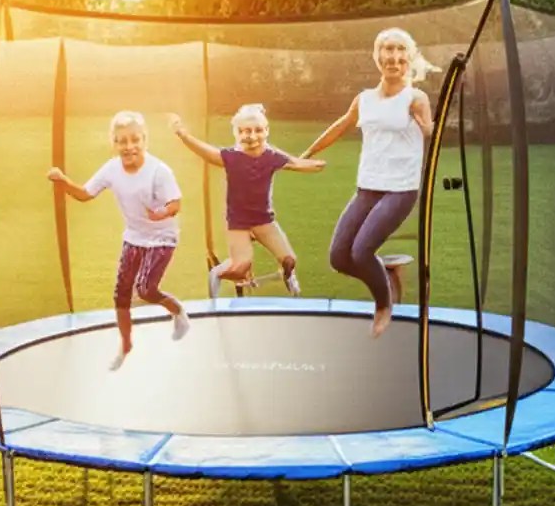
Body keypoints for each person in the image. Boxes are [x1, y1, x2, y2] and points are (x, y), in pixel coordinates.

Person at [300, 27, 438, 337]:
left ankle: (384, 304)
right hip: (368, 186)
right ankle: (386, 271)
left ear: (409, 58)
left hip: (401, 189)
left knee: (361, 251)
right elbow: (341, 126)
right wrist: (307, 153)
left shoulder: (415, 98)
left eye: (400, 50)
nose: (394, 57)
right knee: (339, 257)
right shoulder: (364, 99)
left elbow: (430, 132)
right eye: (388, 49)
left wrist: (427, 128)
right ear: (377, 57)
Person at [48, 110, 190, 370]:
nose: (129, 146)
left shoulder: (159, 171)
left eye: (135, 140)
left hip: (162, 238)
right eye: (122, 141)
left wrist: (159, 214)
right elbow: (85, 194)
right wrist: (62, 181)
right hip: (134, 237)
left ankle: (177, 311)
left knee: (145, 289)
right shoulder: (112, 169)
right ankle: (125, 345)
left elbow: (175, 204)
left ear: (145, 140)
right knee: (121, 295)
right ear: (114, 143)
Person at [167, 104, 325, 298]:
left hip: (264, 221)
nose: (252, 136)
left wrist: (317, 164)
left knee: (289, 260)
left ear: (266, 131)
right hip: (238, 222)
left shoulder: (272, 156)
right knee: (241, 266)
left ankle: (288, 276)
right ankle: (217, 272)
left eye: (258, 130)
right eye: (245, 131)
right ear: (236, 133)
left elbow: (296, 163)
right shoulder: (231, 157)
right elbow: (206, 152)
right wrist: (183, 135)